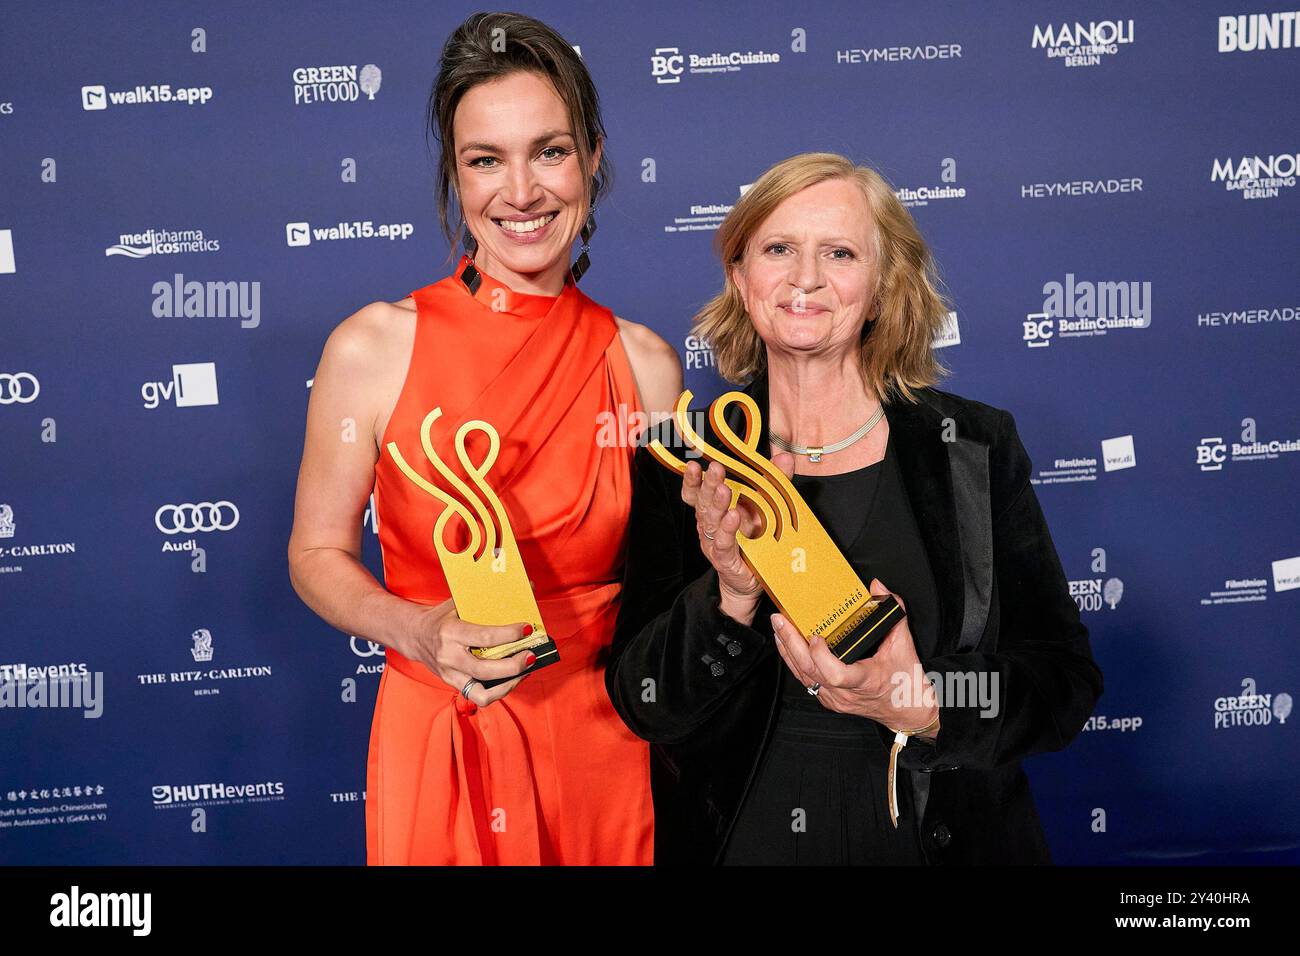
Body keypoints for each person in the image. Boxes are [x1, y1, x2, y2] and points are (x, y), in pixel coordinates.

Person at [605, 152, 1104, 865]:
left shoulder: (973, 448)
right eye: (779, 249)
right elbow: (646, 703)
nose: (805, 277)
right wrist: (731, 592)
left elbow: (1063, 682)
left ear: (881, 286)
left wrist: (923, 700)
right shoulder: (685, 458)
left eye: (838, 252)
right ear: (742, 279)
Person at [288, 12, 680, 865]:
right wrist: (416, 629)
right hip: (443, 729)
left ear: (594, 159)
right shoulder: (374, 346)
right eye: (485, 160)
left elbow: (663, 596)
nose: (523, 192)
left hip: (605, 746)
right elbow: (315, 554)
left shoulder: (646, 366)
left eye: (549, 151)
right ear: (456, 177)